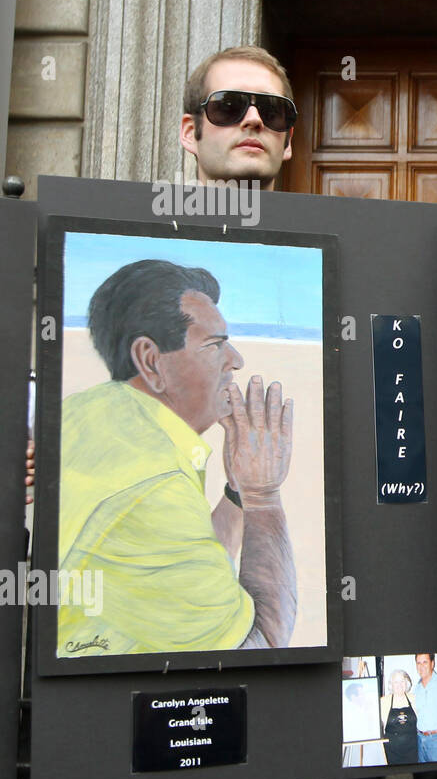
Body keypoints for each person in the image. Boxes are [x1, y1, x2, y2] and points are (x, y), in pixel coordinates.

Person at [90, 46, 333, 779]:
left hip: (286, 729)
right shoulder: (126, 450)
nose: (254, 120)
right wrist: (261, 496)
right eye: (230, 107)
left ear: (290, 141)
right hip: (144, 716)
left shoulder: (345, 252)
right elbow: (262, 634)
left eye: (273, 112)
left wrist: (240, 488)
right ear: (190, 132)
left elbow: (197, 546)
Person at [59, 261, 296, 655]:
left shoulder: (92, 412)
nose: (235, 359)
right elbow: (262, 645)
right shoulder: (155, 487)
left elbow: (197, 569)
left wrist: (238, 491)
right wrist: (263, 495)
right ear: (151, 361)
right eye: (215, 344)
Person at [411, 652, 437, 763]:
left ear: (432, 663)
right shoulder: (417, 688)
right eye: (418, 663)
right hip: (420, 740)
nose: (421, 666)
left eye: (425, 662)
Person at [379, 669, 420, 766]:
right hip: (392, 751)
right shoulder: (383, 701)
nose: (399, 685)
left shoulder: (414, 698)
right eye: (396, 682)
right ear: (391, 685)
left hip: (413, 750)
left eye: (402, 681)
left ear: (407, 683)